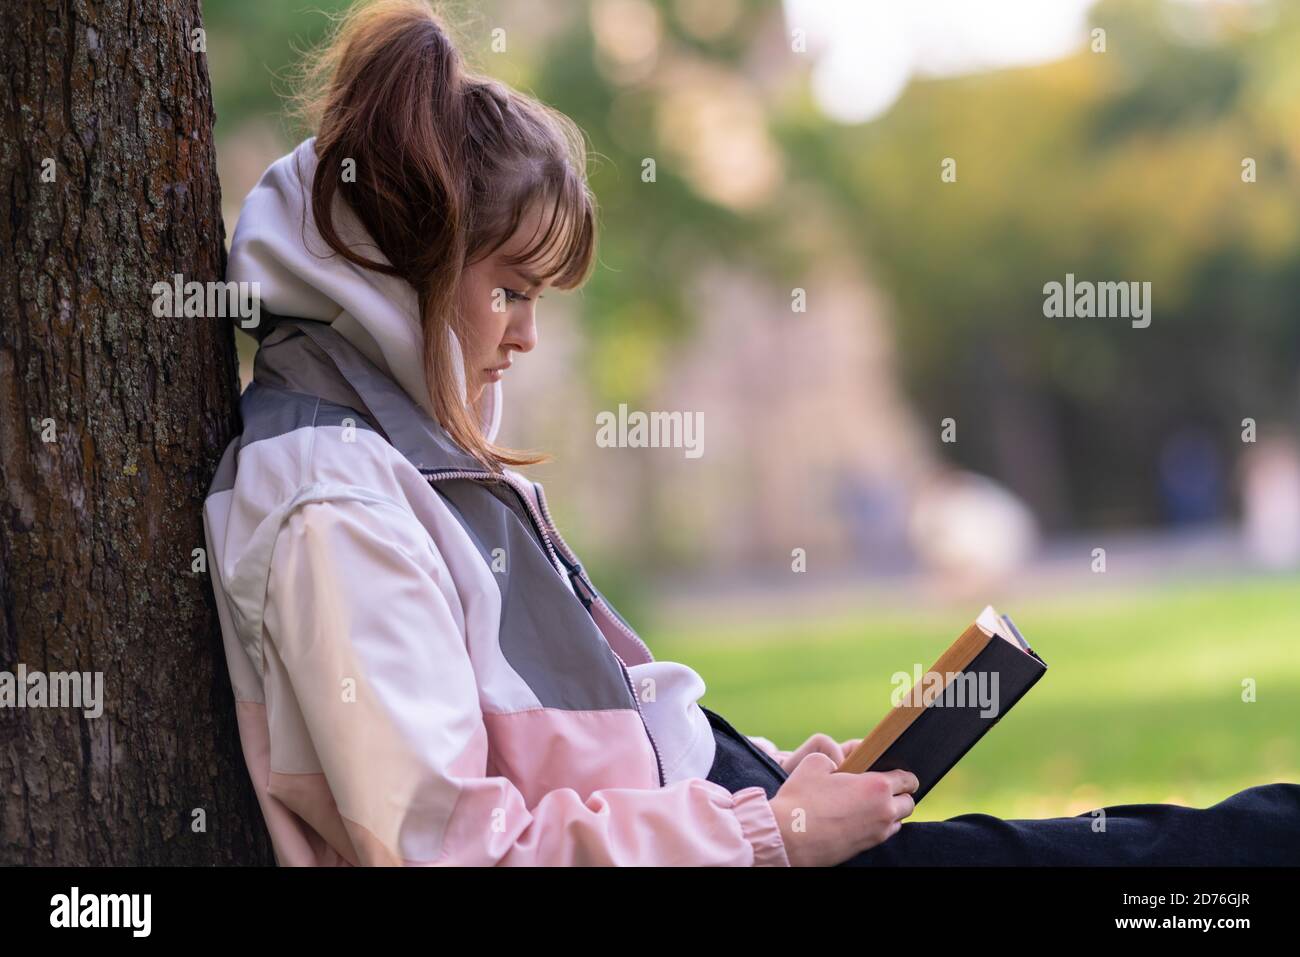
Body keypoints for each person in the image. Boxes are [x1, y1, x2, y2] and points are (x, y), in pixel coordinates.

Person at [205, 0, 1300, 867]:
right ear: (407, 274)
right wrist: (768, 832)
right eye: (509, 292)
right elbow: (449, 855)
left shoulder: (402, 455)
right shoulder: (333, 509)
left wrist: (767, 782)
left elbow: (582, 744)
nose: (528, 337)